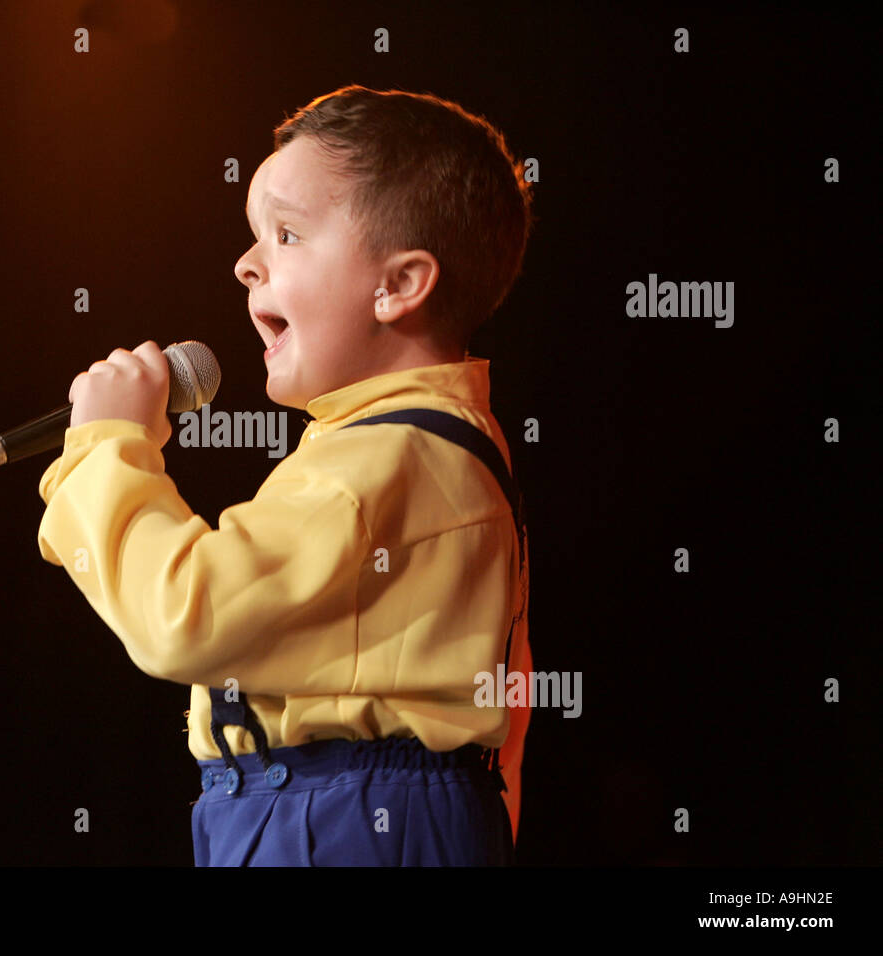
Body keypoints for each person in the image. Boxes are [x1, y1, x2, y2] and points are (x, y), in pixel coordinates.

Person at [37, 84, 535, 865]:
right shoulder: (428, 450)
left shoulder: (382, 459)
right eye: (254, 237)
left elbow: (183, 615)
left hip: (342, 818)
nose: (245, 264)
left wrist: (107, 446)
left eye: (288, 235)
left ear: (400, 284)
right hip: (333, 811)